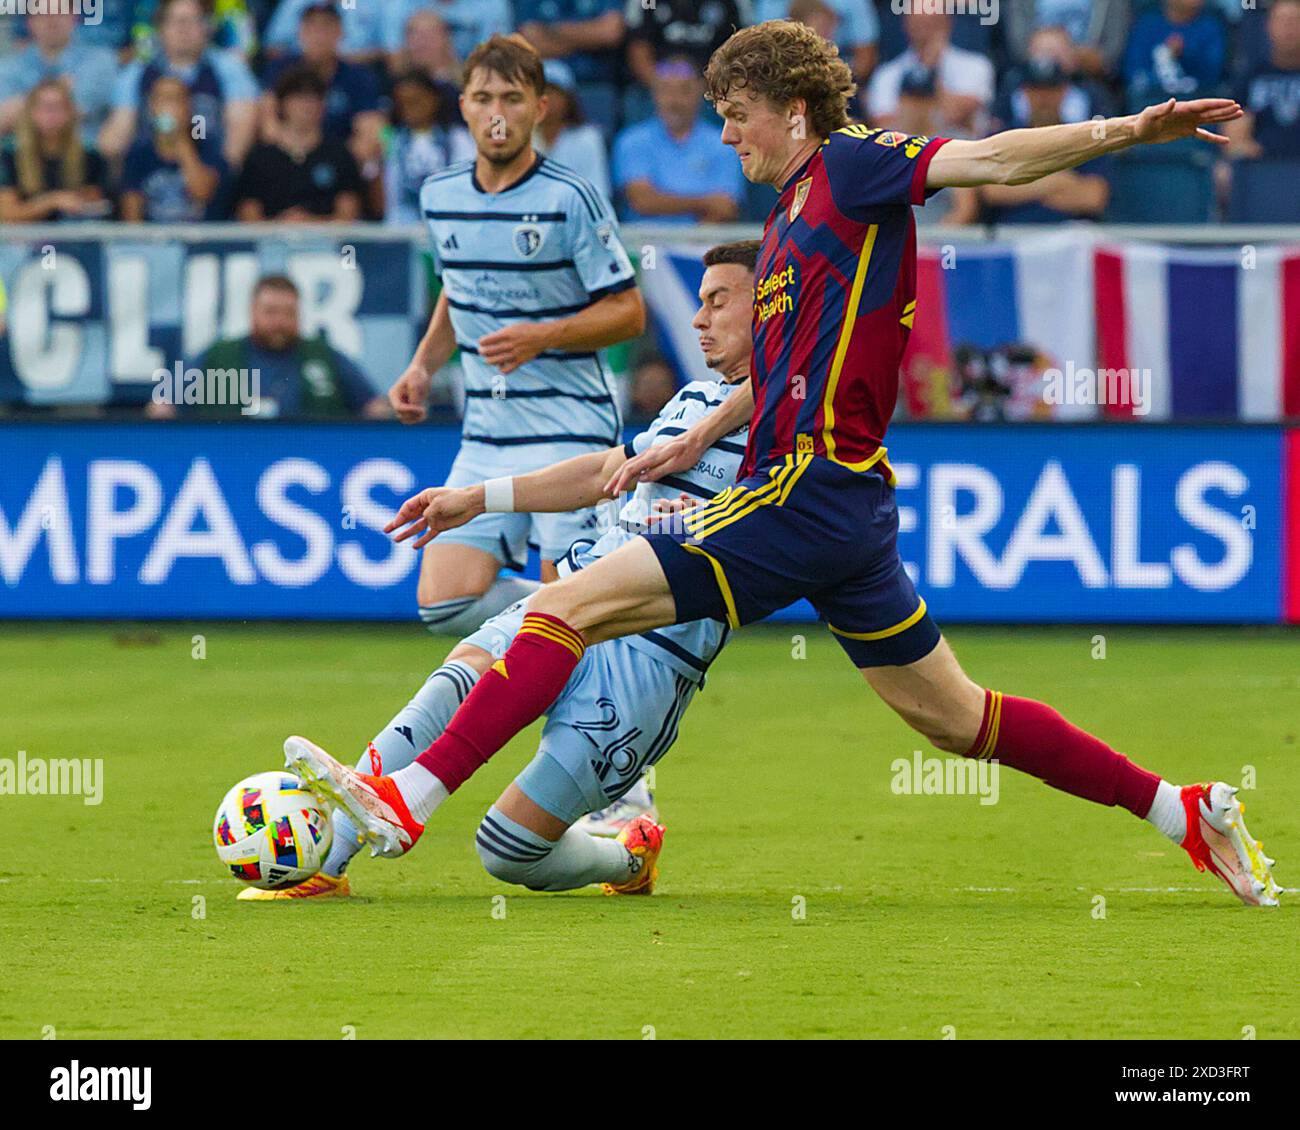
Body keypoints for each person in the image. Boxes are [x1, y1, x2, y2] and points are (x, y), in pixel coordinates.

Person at [303, 20, 1280, 910]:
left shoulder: (851, 166)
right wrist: (698, 432)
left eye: (737, 118)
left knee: (564, 605)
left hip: (797, 489)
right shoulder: (784, 224)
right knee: (955, 718)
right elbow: (783, 366)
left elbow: (988, 157)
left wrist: (1126, 129)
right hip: (844, 508)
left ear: (795, 113)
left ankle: (407, 796)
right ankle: (1180, 809)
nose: (728, 138)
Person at [273, 242, 759, 898]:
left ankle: (628, 859)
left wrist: (703, 525)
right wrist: (476, 497)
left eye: (717, 301)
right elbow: (598, 472)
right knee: (457, 676)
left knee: (507, 852)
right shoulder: (694, 398)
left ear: (773, 305)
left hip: (652, 653)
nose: (699, 319)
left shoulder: (793, 422)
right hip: (579, 596)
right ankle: (327, 862)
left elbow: (776, 540)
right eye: (697, 302)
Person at [387, 34, 645, 639]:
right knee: (445, 604)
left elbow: (629, 311)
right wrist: (423, 365)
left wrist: (544, 335)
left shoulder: (571, 196)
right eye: (483, 97)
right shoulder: (440, 196)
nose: (496, 113)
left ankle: (600, 662)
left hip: (571, 432)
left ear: (540, 107)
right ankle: (619, 615)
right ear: (463, 106)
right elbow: (461, 288)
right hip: (487, 433)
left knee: (571, 612)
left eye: (512, 97)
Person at [149, 274, 388, 420]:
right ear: (253, 312)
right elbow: (161, 406)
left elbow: (374, 407)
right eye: (271, 312)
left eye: (288, 313)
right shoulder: (220, 356)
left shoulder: (323, 356)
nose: (280, 322)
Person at [99, 0, 260, 168]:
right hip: (148, 174)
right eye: (175, 21)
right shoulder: (137, 72)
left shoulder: (229, 69)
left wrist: (219, 180)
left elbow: (240, 130)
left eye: (192, 20)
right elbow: (116, 133)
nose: (183, 29)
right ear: (160, 28)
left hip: (210, 170)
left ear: (207, 27)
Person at [612, 57, 744, 224]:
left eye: (684, 90)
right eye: (666, 90)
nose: (674, 100)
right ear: (654, 94)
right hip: (644, 244)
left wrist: (693, 242)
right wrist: (706, 202)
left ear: (701, 92)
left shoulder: (724, 141)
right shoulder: (631, 141)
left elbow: (726, 208)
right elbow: (642, 201)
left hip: (704, 241)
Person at [978, 59, 1112, 224]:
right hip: (1013, 234)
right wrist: (1058, 181)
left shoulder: (1083, 137)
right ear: (1025, 93)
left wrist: (1020, 185)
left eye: (1051, 90)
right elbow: (992, 191)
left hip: (1070, 234)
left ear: (1064, 92)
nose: (1044, 99)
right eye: (1036, 91)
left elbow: (1093, 198)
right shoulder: (1006, 135)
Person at [259, 1, 384, 171]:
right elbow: (269, 125)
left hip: (339, 167)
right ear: (300, 32)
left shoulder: (359, 77)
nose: (318, 36)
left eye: (326, 29)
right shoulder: (280, 69)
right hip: (284, 163)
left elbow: (371, 134)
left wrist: (330, 161)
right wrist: (300, 160)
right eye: (311, 29)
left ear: (340, 32)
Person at [233, 66, 364, 222]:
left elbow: (348, 214)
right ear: (282, 103)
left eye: (315, 98)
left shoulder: (340, 155)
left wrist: (309, 223)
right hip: (271, 243)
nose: (307, 105)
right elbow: (249, 215)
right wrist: (283, 226)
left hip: (326, 243)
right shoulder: (260, 157)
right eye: (299, 97)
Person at [865, 9, 995, 136]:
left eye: (932, 23)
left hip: (961, 153)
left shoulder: (976, 66)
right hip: (910, 155)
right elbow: (885, 133)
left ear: (947, 24)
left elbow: (953, 114)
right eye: (918, 23)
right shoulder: (886, 74)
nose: (925, 31)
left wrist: (932, 69)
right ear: (906, 24)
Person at [0, 80, 110, 223]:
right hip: (25, 237)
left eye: (58, 107)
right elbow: (8, 213)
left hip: (72, 234)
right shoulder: (10, 154)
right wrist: (53, 201)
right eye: (44, 107)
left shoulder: (89, 154)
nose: (51, 114)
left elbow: (95, 204)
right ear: (30, 112)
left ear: (70, 112)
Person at [120, 76, 226, 222]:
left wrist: (181, 141)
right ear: (151, 107)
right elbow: (132, 213)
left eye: (175, 99)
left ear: (189, 106)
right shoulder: (139, 152)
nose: (168, 106)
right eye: (162, 99)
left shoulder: (206, 145)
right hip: (154, 240)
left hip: (197, 239)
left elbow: (203, 193)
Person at [0, 9, 119, 140]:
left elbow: (78, 109)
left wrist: (24, 104)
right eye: (42, 13)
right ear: (30, 21)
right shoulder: (8, 68)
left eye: (59, 12)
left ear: (74, 17)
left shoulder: (100, 61)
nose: (51, 20)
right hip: (19, 155)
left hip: (86, 155)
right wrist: (62, 89)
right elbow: (3, 118)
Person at [381, 70, 475, 225]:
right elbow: (391, 194)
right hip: (405, 224)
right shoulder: (395, 141)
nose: (410, 109)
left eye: (415, 101)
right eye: (403, 104)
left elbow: (467, 186)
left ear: (434, 99)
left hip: (450, 219)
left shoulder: (457, 139)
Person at [1223, 0, 1300, 160]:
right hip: (1261, 172)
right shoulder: (1251, 76)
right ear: (1268, 26)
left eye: (1295, 21)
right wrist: (1240, 149)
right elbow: (1233, 139)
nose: (1289, 28)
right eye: (1282, 21)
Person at [1121, 0, 1228, 112]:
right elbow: (1133, 72)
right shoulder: (1147, 24)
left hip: (1196, 107)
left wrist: (1185, 55)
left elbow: (1214, 76)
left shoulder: (1211, 27)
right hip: (1149, 104)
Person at [532, 60, 610, 200]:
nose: (547, 99)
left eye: (554, 92)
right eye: (541, 93)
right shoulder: (520, 137)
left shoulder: (588, 138)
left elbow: (597, 191)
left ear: (569, 99)